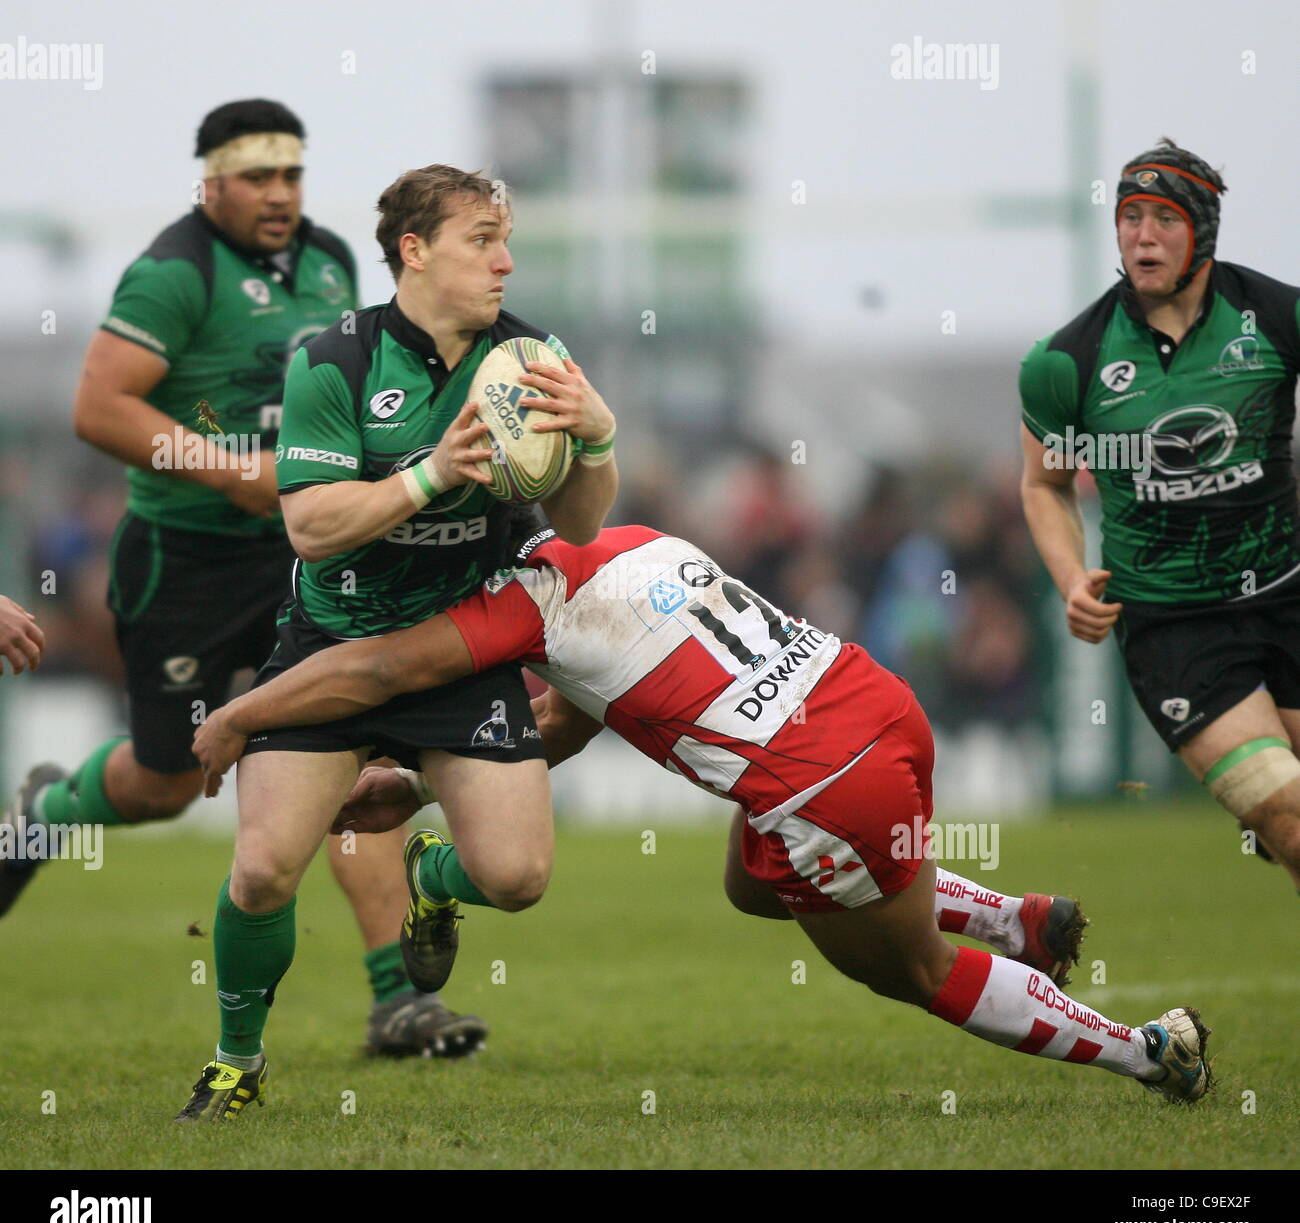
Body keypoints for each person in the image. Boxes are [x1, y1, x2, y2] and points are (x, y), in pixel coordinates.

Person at [194, 523, 1212, 1108]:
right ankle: (1008, 919)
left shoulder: (517, 604)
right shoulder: (631, 541)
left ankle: (1144, 1050)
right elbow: (575, 721)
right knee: (749, 884)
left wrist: (241, 713)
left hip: (818, 781)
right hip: (873, 704)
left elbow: (375, 666)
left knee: (909, 970)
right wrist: (420, 789)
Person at [0, 100, 486, 1060]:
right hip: (184, 561)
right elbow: (100, 407)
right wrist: (234, 470)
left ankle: (398, 1001)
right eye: (256, 177)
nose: (278, 195)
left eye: (291, 176)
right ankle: (51, 810)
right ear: (211, 181)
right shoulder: (175, 273)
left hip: (314, 555)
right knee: (164, 784)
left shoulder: (332, 260)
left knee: (353, 748)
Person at [174, 164, 619, 1120]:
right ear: (414, 252)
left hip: (459, 649)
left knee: (518, 877)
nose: (505, 261)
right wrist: (431, 475)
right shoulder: (333, 359)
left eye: (508, 241)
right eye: (482, 241)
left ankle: (432, 874)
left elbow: (580, 525)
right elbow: (312, 526)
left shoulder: (533, 354)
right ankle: (235, 1061)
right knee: (260, 870)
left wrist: (597, 439)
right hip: (332, 647)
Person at [1019, 138, 1300, 894]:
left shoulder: (1277, 315)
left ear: (1201, 231)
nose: (1141, 235)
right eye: (1128, 216)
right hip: (1176, 628)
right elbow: (1044, 486)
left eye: (1163, 219)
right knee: (1289, 815)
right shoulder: (1067, 362)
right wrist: (1072, 578)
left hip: (1289, 593)